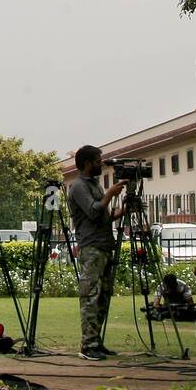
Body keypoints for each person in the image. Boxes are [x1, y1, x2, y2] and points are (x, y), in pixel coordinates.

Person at [66, 145, 126, 360]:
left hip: (103, 244)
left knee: (103, 296)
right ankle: (87, 344)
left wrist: (123, 210)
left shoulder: (94, 185)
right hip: (91, 247)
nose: (101, 164)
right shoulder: (79, 186)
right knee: (91, 295)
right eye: (98, 160)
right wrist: (110, 193)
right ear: (87, 163)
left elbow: (104, 217)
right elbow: (92, 212)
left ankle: (96, 341)